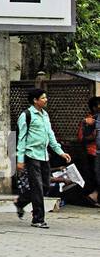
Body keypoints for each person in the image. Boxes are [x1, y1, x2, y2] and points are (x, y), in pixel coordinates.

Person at [14, 88, 71, 229]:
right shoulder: (26, 115)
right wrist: (20, 159)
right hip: (31, 155)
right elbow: (21, 138)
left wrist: (60, 152)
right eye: (43, 97)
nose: (46, 100)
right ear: (35, 100)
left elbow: (50, 135)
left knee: (45, 185)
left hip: (44, 155)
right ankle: (38, 219)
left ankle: (21, 202)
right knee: (37, 187)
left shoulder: (45, 115)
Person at [76, 97, 100, 206]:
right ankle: (92, 198)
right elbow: (81, 137)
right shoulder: (89, 120)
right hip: (93, 152)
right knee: (94, 177)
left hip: (95, 152)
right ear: (94, 107)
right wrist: (94, 135)